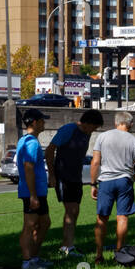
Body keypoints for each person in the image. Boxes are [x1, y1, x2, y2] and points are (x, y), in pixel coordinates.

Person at [90, 111, 135, 265]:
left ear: (116, 123)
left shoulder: (102, 137)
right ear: (130, 124)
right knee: (122, 217)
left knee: (102, 218)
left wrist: (93, 183)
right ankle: (119, 254)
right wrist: (132, 178)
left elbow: (95, 162)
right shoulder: (134, 141)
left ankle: (98, 255)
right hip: (124, 181)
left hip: (106, 181)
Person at [45, 108, 103, 259]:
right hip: (63, 176)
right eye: (95, 127)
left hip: (76, 177)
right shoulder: (69, 129)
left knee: (75, 211)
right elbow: (50, 150)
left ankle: (67, 245)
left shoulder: (87, 133)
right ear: (88, 123)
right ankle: (67, 247)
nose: (95, 130)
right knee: (71, 210)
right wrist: (52, 175)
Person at [15, 109, 52, 269]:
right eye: (42, 120)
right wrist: (33, 195)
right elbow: (28, 168)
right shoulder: (31, 143)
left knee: (44, 223)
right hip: (32, 192)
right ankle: (27, 261)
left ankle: (34, 257)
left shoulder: (25, 140)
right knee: (29, 225)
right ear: (35, 122)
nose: (44, 123)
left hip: (38, 191)